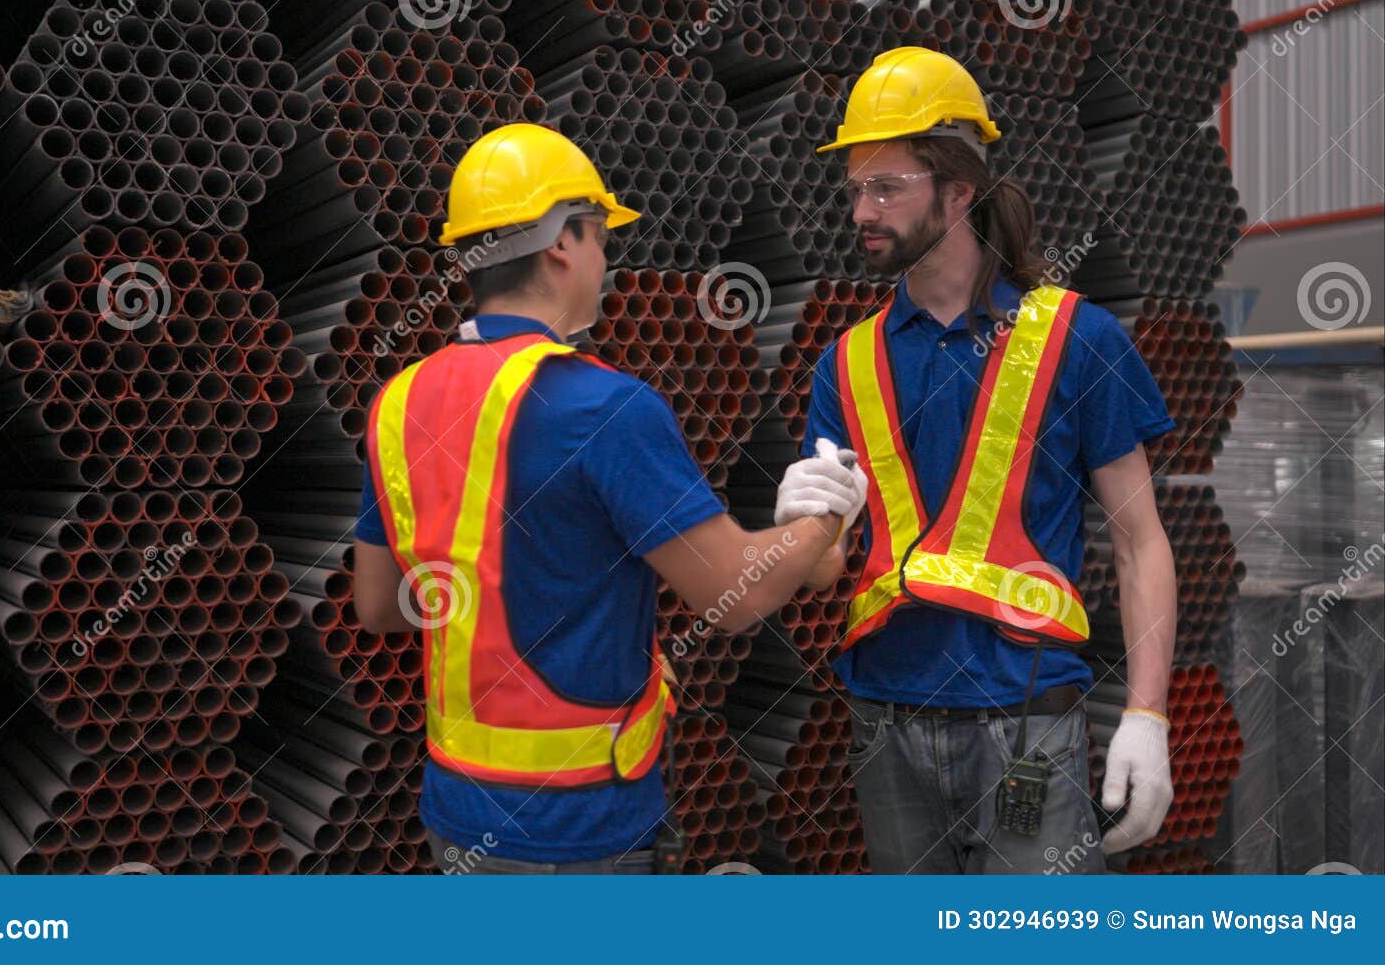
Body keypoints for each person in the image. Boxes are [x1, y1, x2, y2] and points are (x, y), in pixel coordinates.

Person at [349, 123, 868, 873]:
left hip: (456, 814)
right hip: (581, 831)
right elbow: (734, 593)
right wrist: (827, 512)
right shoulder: (604, 408)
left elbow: (379, 605)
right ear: (563, 242)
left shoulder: (400, 403)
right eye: (599, 237)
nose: (606, 259)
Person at [794, 47, 1179, 873]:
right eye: (856, 187)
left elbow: (1141, 539)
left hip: (1028, 714)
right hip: (884, 714)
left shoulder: (1079, 339)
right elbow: (828, 566)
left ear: (958, 191)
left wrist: (1148, 715)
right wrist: (803, 526)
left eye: (887, 186)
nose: (864, 208)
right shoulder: (847, 363)